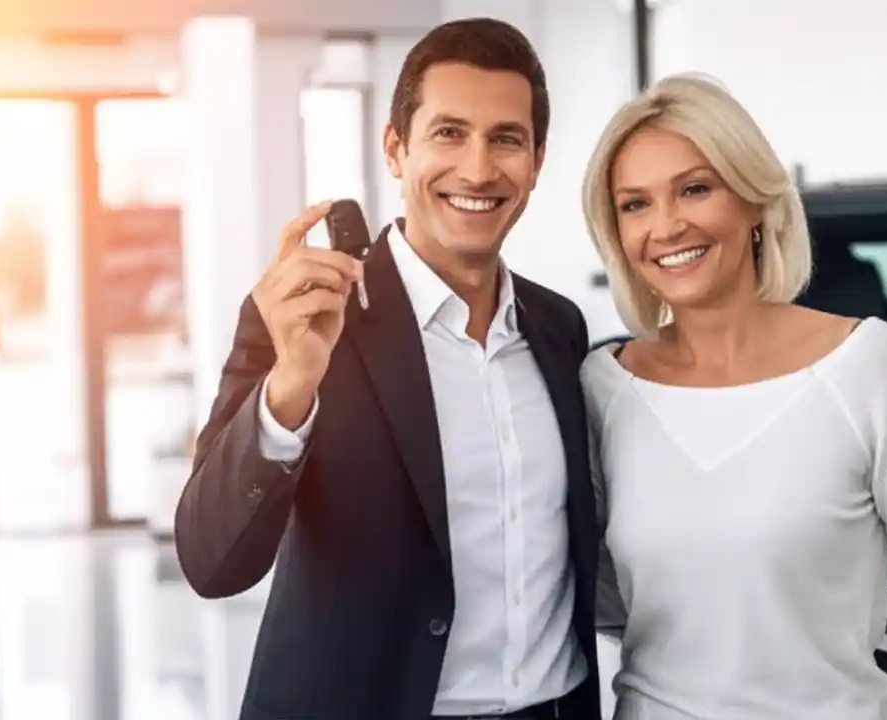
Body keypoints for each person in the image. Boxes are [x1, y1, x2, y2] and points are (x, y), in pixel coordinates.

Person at [174, 18, 602, 720]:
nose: (478, 169)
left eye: (505, 139)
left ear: (536, 161)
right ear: (396, 149)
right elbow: (210, 562)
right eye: (448, 133)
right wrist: (290, 389)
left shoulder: (559, 329)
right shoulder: (305, 317)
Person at [579, 72, 887, 720]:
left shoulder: (868, 365)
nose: (666, 225)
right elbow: (604, 603)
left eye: (695, 189)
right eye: (635, 204)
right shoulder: (604, 387)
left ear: (753, 201)